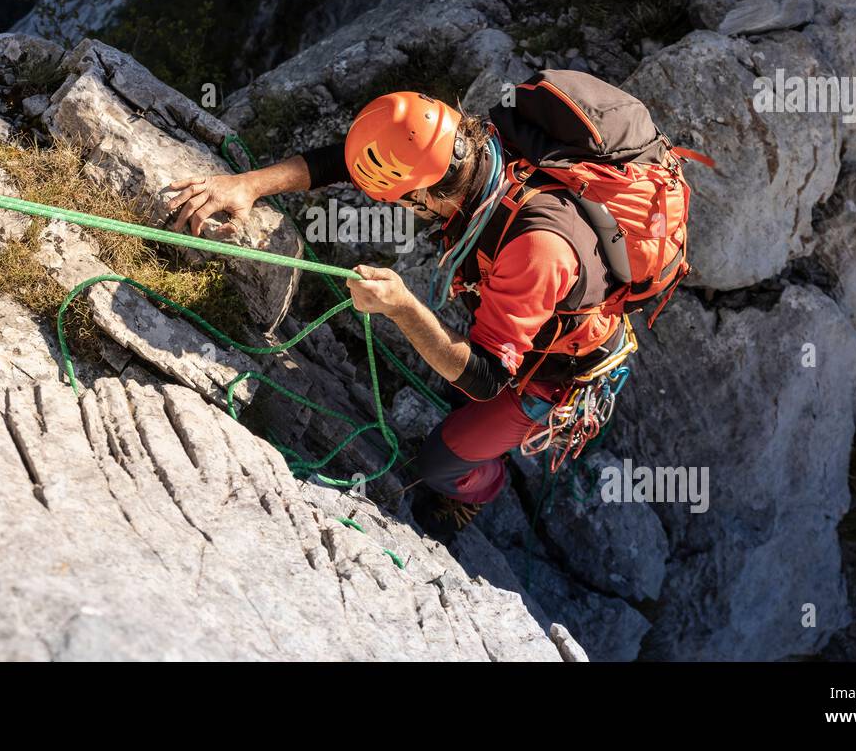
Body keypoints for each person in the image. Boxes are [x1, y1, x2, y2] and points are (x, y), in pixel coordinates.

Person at [164, 88, 633, 541]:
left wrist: (404, 309)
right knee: (454, 386)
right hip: (516, 317)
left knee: (436, 465)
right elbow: (345, 161)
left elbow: (486, 378)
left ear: (426, 196)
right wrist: (248, 185)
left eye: (400, 201)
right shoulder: (478, 148)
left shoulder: (534, 248)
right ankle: (480, 439)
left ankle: (483, 485)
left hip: (551, 373)